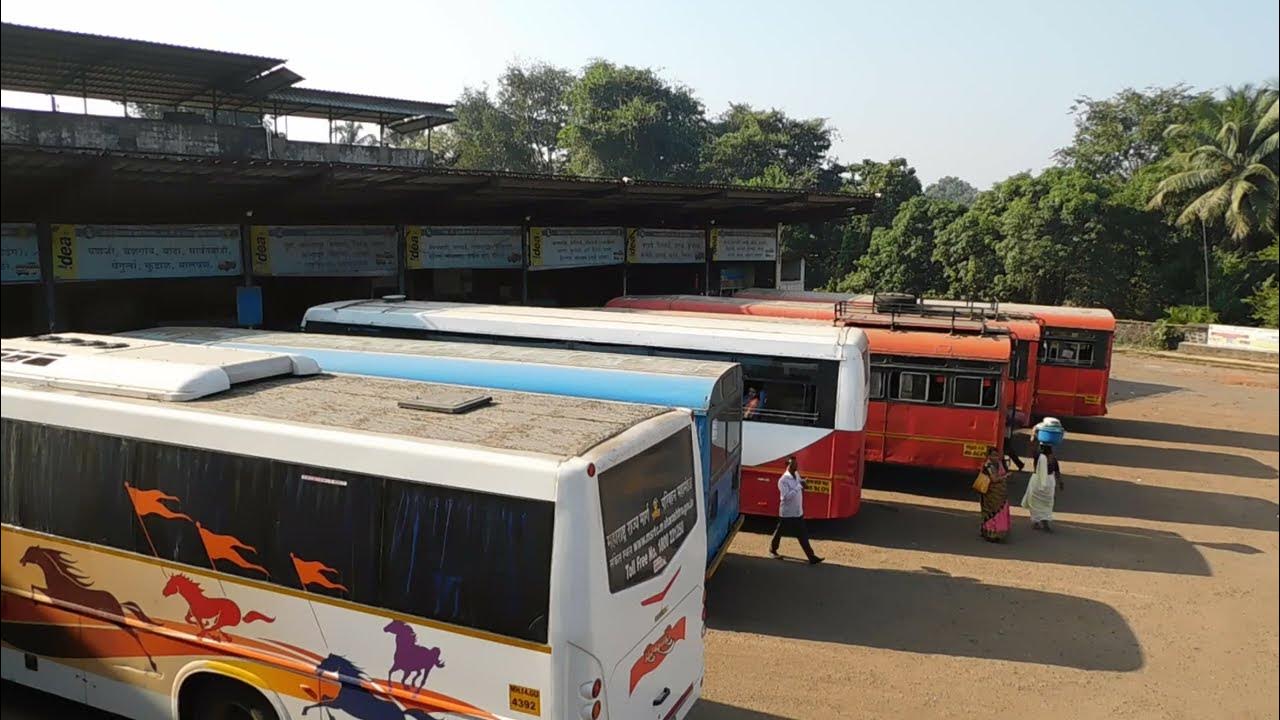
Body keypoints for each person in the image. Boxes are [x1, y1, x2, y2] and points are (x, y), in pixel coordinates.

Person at [770, 457, 823, 564]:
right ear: (788, 466)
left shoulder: (796, 474)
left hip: (798, 512)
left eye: (796, 464)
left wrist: (803, 482)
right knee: (780, 532)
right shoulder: (783, 480)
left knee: (802, 535)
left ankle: (811, 557)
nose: (796, 466)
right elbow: (786, 497)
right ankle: (773, 549)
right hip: (787, 513)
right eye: (794, 464)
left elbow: (799, 483)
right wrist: (799, 486)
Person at [1022, 443, 1064, 532]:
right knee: (1044, 503)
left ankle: (1040, 521)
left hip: (1042, 484)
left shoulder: (1041, 457)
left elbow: (1056, 471)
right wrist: (1060, 482)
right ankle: (1040, 522)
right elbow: (1057, 472)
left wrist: (1033, 438)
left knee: (1042, 503)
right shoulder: (1043, 458)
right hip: (1043, 483)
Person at [977, 447, 1012, 542]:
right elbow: (994, 479)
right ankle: (990, 534)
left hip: (1001, 494)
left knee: (999, 512)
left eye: (997, 455)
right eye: (993, 455)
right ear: (988, 456)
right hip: (991, 493)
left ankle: (995, 533)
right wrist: (1005, 476)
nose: (995, 457)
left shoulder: (999, 463)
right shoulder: (989, 465)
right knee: (991, 513)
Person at [1003, 407, 1025, 471]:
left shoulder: (1007, 412)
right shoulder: (1009, 412)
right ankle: (1019, 464)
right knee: (1008, 451)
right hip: (1006, 434)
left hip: (1005, 435)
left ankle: (1019, 464)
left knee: (1008, 451)